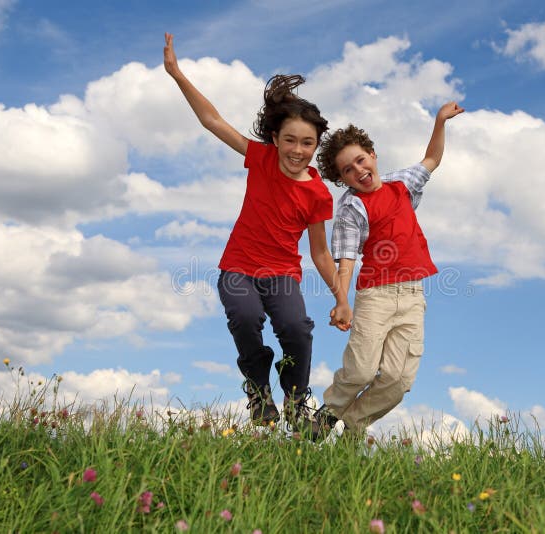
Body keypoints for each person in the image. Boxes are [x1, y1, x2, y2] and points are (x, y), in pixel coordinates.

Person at [163, 33, 349, 437]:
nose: (297, 150)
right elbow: (213, 121)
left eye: (307, 143)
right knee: (246, 317)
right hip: (238, 268)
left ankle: (296, 400)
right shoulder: (261, 159)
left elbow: (319, 253)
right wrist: (178, 76)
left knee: (297, 329)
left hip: (283, 274)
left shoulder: (317, 193)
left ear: (316, 146)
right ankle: (259, 390)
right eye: (289, 140)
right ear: (275, 139)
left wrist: (340, 297)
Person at [313, 102, 465, 437]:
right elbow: (347, 258)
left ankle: (354, 423)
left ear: (372, 154)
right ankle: (326, 416)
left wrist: (440, 121)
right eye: (348, 170)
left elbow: (433, 159)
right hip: (375, 296)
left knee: (398, 380)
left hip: (412, 296)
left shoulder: (402, 184)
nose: (358, 170)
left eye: (360, 160)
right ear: (342, 180)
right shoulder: (352, 208)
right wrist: (342, 301)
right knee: (362, 370)